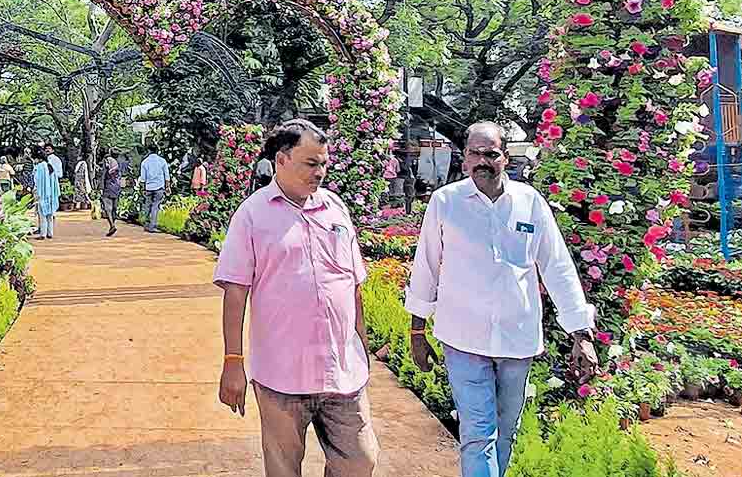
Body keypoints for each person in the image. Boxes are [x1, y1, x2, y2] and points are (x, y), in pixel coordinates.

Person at [404, 121, 599, 477]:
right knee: (478, 435)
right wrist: (418, 333)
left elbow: (557, 267)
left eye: (491, 154)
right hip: (463, 337)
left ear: (505, 158)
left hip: (517, 338)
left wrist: (581, 334)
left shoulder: (529, 202)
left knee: (506, 433)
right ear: (464, 159)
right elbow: (426, 267)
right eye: (475, 153)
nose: (483, 161)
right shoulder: (446, 202)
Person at [214, 119, 379, 477]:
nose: (320, 172)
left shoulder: (335, 209)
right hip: (281, 373)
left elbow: (353, 284)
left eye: (323, 163)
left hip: (341, 369)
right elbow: (235, 290)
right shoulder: (252, 215)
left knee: (360, 460)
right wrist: (232, 361)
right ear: (282, 159)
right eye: (311, 163)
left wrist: (362, 346)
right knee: (284, 469)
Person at [137, 147, 170, 233]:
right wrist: (167, 187)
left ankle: (146, 224)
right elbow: (167, 176)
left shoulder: (144, 162)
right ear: (157, 151)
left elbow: (143, 178)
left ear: (149, 151)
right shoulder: (162, 161)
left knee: (147, 205)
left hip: (148, 187)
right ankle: (153, 225)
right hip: (159, 187)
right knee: (155, 206)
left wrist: (143, 188)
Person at [32, 148, 61, 240]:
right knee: (50, 214)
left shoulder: (39, 167)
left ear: (38, 158)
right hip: (51, 194)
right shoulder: (50, 166)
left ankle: (43, 234)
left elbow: (36, 181)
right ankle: (50, 233)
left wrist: (35, 192)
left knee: (42, 214)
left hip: (42, 193)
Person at [100, 154, 121, 237]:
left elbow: (103, 175)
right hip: (116, 187)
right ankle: (112, 224)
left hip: (108, 187)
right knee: (114, 208)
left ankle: (112, 225)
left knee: (108, 208)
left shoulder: (107, 162)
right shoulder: (119, 163)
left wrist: (101, 187)